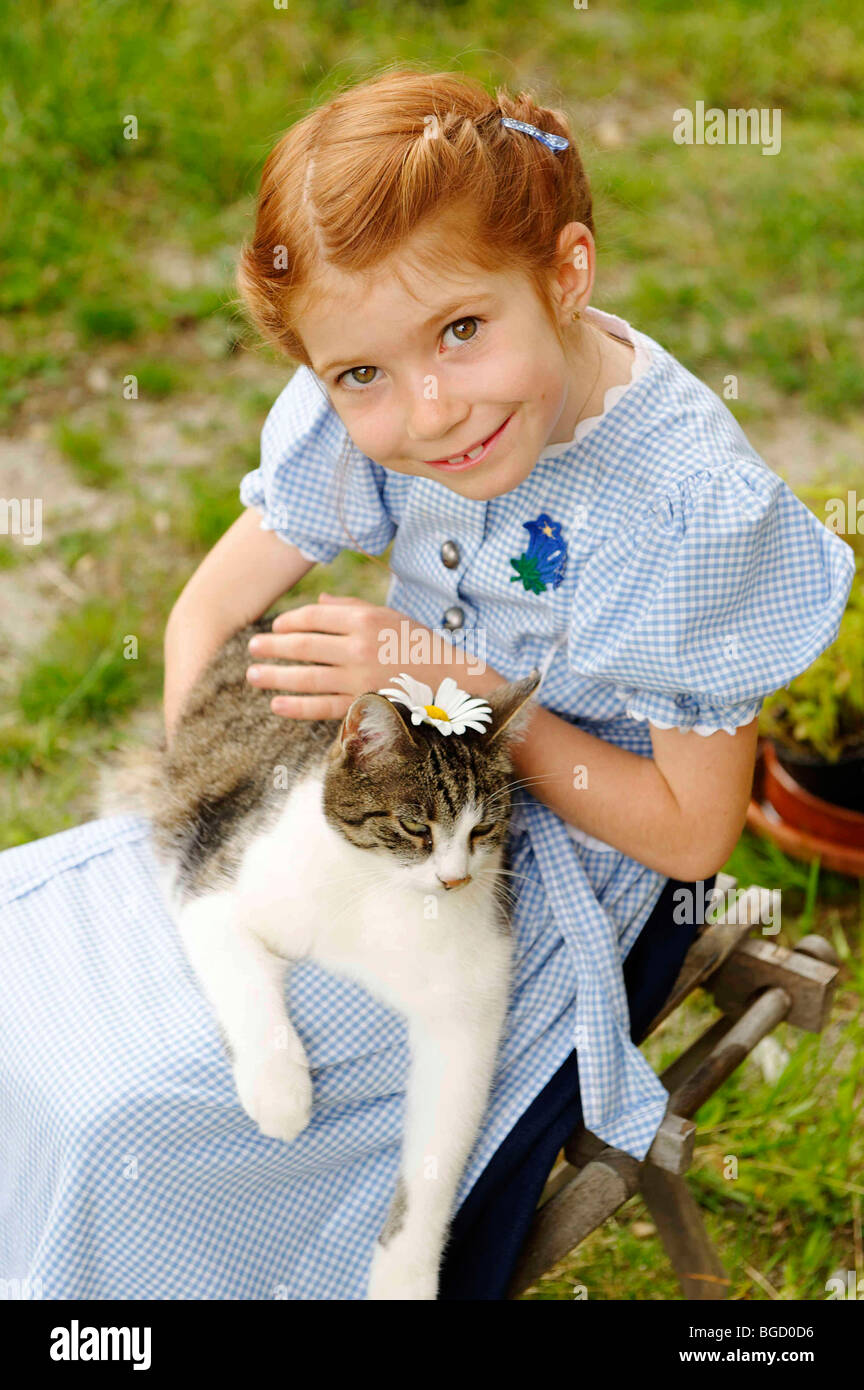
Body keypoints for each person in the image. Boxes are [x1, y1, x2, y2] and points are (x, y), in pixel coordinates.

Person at [0, 68, 854, 1301]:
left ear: (566, 274)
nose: (431, 411)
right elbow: (210, 609)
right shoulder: (389, 386)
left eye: (463, 329)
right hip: (386, 779)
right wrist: (216, 811)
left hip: (564, 871)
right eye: (361, 376)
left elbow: (691, 832)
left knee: (134, 1114)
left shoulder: (684, 508)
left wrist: (445, 678)